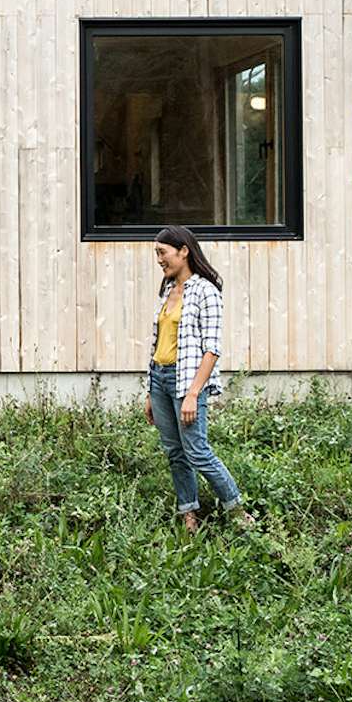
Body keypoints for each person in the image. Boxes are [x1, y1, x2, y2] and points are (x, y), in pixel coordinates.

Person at [145, 225, 252, 532]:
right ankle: (188, 514)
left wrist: (193, 393)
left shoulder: (206, 291)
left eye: (162, 253)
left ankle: (237, 512)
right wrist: (150, 391)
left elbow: (212, 349)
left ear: (183, 251)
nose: (159, 260)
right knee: (175, 452)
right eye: (157, 253)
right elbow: (158, 344)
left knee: (198, 452)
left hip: (185, 383)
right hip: (160, 380)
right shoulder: (167, 290)